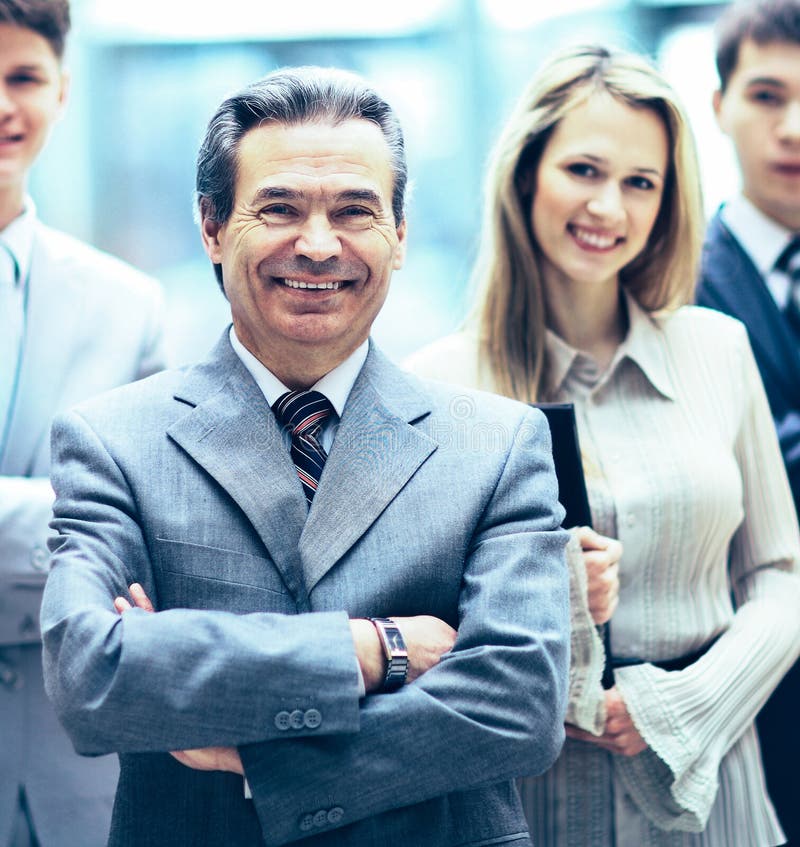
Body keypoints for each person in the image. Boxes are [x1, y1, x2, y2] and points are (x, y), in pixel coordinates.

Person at [39, 65, 570, 847]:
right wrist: (374, 649)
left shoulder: (499, 442)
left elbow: (518, 707)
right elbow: (94, 679)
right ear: (212, 226)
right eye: (279, 208)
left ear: (399, 232)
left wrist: (262, 759)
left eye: (355, 210)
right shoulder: (112, 440)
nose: (318, 246)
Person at [405, 43, 800, 847]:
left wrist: (682, 709)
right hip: (525, 805)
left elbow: (781, 574)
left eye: (640, 182)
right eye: (583, 169)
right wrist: (528, 592)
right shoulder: (435, 386)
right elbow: (405, 620)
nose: (609, 208)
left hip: (710, 789)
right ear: (526, 174)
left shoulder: (717, 351)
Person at [0, 1, 166, 845]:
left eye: (22, 78)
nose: (1, 105)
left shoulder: (129, 307)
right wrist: (74, 539)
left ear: (62, 91)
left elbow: (152, 536)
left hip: (77, 782)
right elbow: (99, 539)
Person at [695, 3, 800, 842]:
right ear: (719, 104)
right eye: (768, 94)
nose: (794, 127)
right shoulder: (660, 287)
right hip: (744, 705)